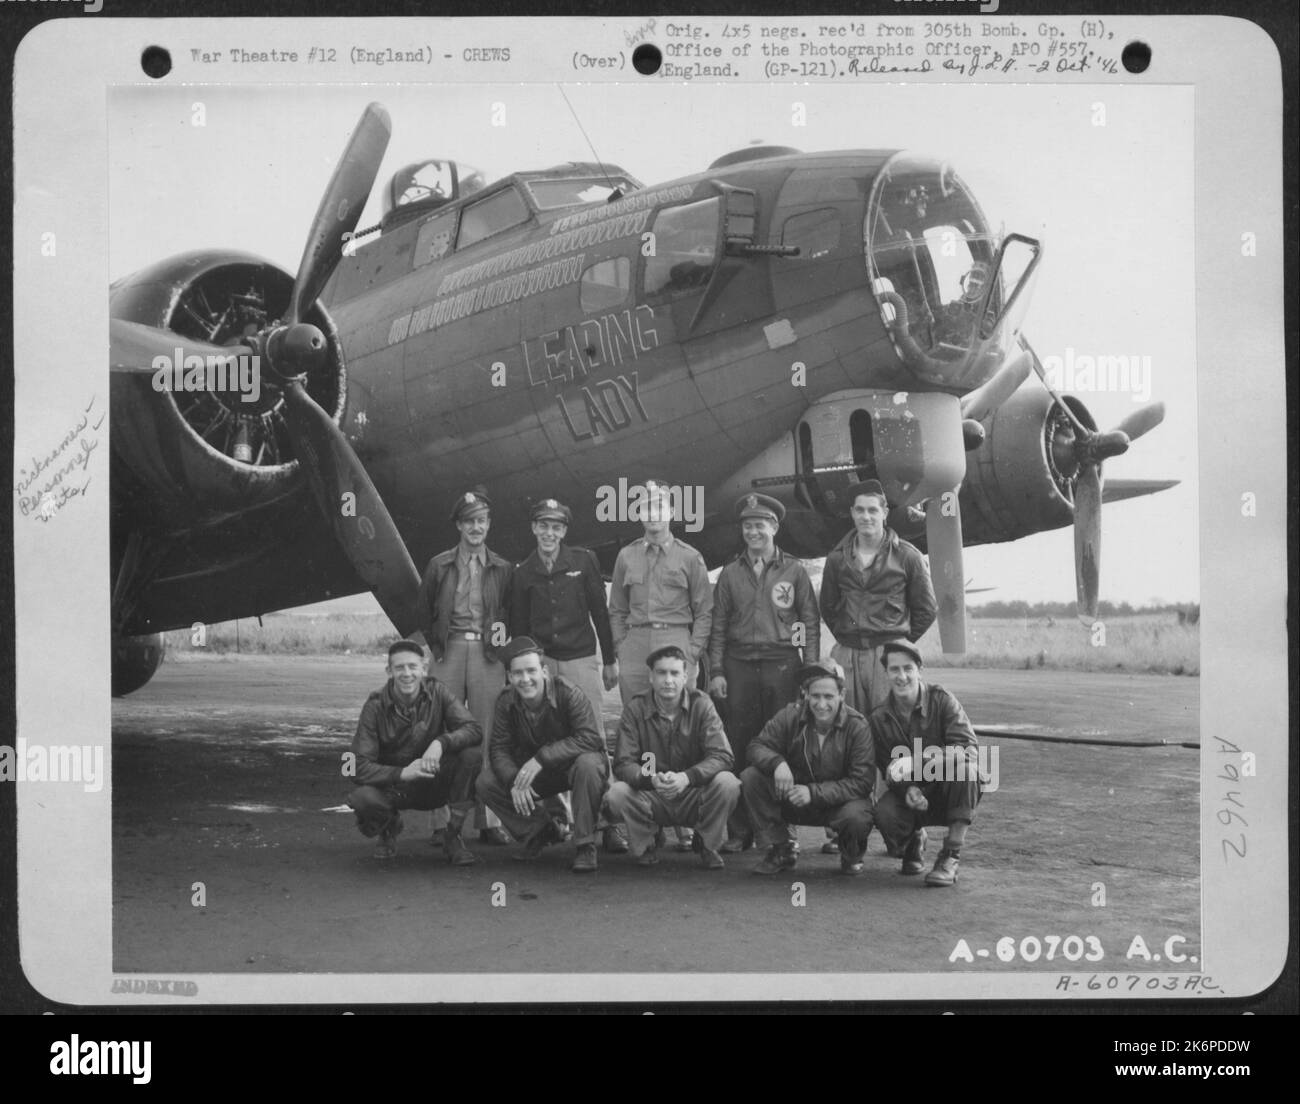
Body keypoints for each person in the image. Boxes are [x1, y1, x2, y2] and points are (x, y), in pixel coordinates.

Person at [508, 497, 626, 853]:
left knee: (592, 739)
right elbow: (517, 626)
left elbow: (599, 613)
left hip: (580, 658)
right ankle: (557, 815)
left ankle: (607, 823)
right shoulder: (522, 571)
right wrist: (516, 669)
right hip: (542, 663)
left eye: (556, 527)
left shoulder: (583, 561)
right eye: (543, 526)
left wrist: (609, 660)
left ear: (564, 531)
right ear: (534, 528)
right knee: (543, 738)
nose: (549, 533)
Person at [708, 493, 819, 853]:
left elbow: (809, 623)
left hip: (782, 663)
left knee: (782, 746)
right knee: (738, 746)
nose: (753, 532)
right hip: (739, 665)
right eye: (747, 526)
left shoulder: (795, 571)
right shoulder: (729, 573)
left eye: (760, 525)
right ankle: (741, 831)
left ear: (774, 527)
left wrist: (811, 673)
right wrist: (716, 671)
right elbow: (718, 627)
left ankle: (782, 830)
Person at [609, 477, 713, 851]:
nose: (653, 514)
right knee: (641, 727)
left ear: (672, 512)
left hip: (677, 640)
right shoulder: (626, 556)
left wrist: (693, 651)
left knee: (682, 727)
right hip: (637, 646)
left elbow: (704, 611)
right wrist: (623, 647)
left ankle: (685, 820)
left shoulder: (689, 557)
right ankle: (648, 820)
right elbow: (617, 609)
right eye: (646, 508)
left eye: (660, 507)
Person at [416, 488, 513, 845]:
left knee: (490, 733)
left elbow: (505, 614)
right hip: (450, 652)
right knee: (438, 731)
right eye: (469, 521)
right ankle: (440, 822)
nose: (476, 527)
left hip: (487, 655)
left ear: (489, 525)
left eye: (482, 521)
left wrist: (498, 650)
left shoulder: (501, 567)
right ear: (458, 525)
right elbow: (425, 611)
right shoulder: (439, 565)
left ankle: (489, 821)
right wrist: (438, 647)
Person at [476, 636, 609, 873]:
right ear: (509, 677)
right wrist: (513, 779)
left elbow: (590, 738)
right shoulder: (506, 701)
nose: (525, 679)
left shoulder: (569, 693)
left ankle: (585, 844)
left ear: (544, 671)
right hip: (534, 775)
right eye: (517, 673)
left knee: (589, 764)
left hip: (572, 767)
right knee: (486, 782)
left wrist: (542, 758)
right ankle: (540, 831)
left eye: (531, 671)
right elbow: (498, 749)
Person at [344, 640, 483, 865]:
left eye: (412, 666)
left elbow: (474, 730)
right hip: (396, 788)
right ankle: (388, 828)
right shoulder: (374, 706)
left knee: (472, 756)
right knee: (363, 799)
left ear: (424, 668)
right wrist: (402, 773)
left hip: (434, 780)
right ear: (389, 671)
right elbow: (355, 765)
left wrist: (440, 743)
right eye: (399, 668)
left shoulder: (438, 691)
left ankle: (453, 834)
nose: (407, 674)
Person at [607, 645, 740, 869]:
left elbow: (722, 755)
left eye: (675, 673)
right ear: (651, 677)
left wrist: (687, 777)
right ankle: (647, 841)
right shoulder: (635, 708)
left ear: (685, 677)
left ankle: (707, 843)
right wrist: (651, 779)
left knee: (728, 784)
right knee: (616, 793)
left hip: (693, 793)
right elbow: (623, 762)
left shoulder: (702, 704)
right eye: (662, 673)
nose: (668, 680)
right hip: (652, 794)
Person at [740, 659, 876, 876]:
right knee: (751, 778)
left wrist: (813, 793)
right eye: (815, 696)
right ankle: (782, 848)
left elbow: (862, 782)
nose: (821, 704)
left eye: (829, 696)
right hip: (795, 798)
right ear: (805, 694)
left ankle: (851, 852)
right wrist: (777, 763)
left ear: (842, 695)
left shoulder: (857, 726)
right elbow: (756, 746)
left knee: (857, 814)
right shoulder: (789, 715)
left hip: (836, 804)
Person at [867, 639, 984, 887]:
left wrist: (919, 760)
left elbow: (968, 749)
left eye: (908, 668)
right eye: (894, 669)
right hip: (912, 795)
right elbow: (888, 768)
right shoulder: (879, 717)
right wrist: (908, 788)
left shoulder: (943, 701)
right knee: (884, 814)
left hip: (945, 790)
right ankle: (913, 840)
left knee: (967, 772)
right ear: (886, 673)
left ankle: (951, 856)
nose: (902, 676)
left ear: (919, 670)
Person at [818, 479, 936, 716]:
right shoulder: (837, 559)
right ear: (852, 513)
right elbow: (828, 607)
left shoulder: (908, 556)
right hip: (847, 654)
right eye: (860, 510)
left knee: (890, 724)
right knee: (846, 724)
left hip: (886, 655)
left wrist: (898, 644)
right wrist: (847, 637)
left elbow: (927, 610)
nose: (866, 516)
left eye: (873, 510)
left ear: (884, 513)